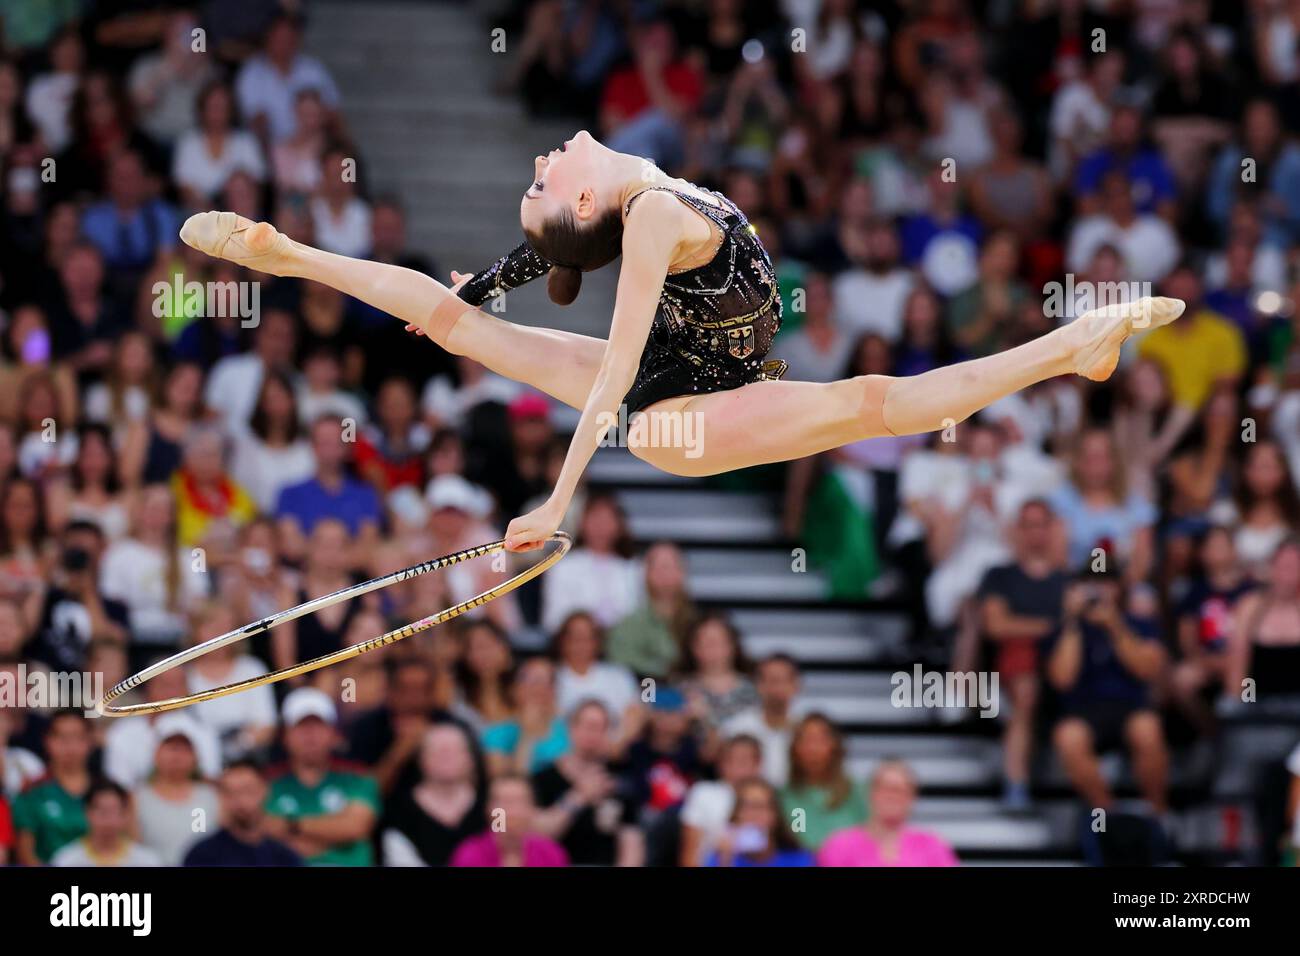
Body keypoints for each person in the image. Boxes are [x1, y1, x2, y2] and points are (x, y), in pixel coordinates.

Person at [180, 129, 1186, 556]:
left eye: (532, 185)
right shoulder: (645, 206)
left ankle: (1074, 347)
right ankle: (288, 251)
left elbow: (578, 307)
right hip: (677, 408)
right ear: (582, 197)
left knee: (470, 327)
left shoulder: (638, 192)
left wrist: (489, 292)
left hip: (690, 373)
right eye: (539, 182)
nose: (536, 161)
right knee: (865, 403)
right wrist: (558, 489)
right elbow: (606, 359)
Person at [976, 499, 1069, 811]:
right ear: (1017, 530)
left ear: (1052, 529)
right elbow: (996, 626)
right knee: (1026, 692)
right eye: (1028, 525)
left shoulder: (1067, 579)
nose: (1035, 533)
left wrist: (1030, 626)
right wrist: (1048, 626)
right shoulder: (1000, 575)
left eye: (1041, 524)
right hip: (1016, 664)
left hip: (1064, 659)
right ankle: (1016, 782)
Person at [263, 688, 381, 866]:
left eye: (318, 726)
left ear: (334, 734)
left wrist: (290, 826)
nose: (310, 735)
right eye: (301, 726)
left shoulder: (358, 777)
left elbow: (355, 827)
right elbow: (259, 831)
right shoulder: (266, 781)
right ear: (285, 736)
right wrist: (333, 836)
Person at [530, 700, 643, 866]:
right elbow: (537, 835)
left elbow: (631, 845)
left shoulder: (620, 780)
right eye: (589, 726)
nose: (594, 735)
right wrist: (579, 797)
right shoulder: (543, 779)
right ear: (571, 729)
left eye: (602, 728)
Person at [380, 723, 487, 867]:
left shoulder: (494, 805)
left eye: (455, 751)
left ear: (471, 759)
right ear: (421, 759)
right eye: (437, 751)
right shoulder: (396, 809)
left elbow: (507, 849)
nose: (446, 757)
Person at [818, 760, 958, 867]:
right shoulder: (839, 845)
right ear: (870, 792)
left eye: (899, 790)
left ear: (912, 797)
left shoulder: (932, 846)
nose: (892, 796)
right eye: (885, 788)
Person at [132, 714, 220, 866]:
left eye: (185, 749)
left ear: (196, 757)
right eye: (171, 748)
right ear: (156, 753)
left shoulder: (213, 796)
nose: (177, 756)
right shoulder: (135, 798)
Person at [184, 760, 303, 866]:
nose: (241, 801)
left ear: (265, 790)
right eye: (230, 792)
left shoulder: (285, 857)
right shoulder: (202, 855)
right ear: (220, 797)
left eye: (248, 790)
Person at [11, 710, 93, 864]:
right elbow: (25, 854)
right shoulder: (32, 792)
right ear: (47, 741)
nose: (70, 746)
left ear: (89, 741)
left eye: (77, 737)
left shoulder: (107, 790)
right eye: (61, 738)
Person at [779, 713, 868, 852]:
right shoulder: (783, 796)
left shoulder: (858, 792)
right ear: (794, 748)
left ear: (834, 746)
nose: (813, 749)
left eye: (820, 740)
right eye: (806, 740)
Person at [679, 733, 763, 867]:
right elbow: (689, 853)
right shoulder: (702, 792)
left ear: (758, 764)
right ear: (720, 763)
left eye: (744, 760)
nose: (736, 767)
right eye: (730, 760)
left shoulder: (771, 797)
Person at [449, 774, 569, 867]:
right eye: (505, 802)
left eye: (520, 801)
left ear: (533, 808)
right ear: (488, 809)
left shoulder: (550, 853)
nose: (512, 811)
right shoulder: (470, 854)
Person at [720, 654, 803, 787]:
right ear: (759, 685)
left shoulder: (807, 729)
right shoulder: (735, 728)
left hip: (794, 805)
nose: (779, 688)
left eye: (785, 680)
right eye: (773, 680)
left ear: (797, 685)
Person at [705, 778, 814, 868]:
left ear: (775, 815)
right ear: (736, 815)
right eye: (746, 806)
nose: (754, 815)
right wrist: (725, 861)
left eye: (760, 806)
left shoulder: (799, 859)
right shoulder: (721, 858)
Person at [51, 780, 161, 867]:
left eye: (114, 812)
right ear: (87, 813)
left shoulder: (147, 861)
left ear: (125, 815)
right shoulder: (66, 860)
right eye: (102, 812)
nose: (108, 821)